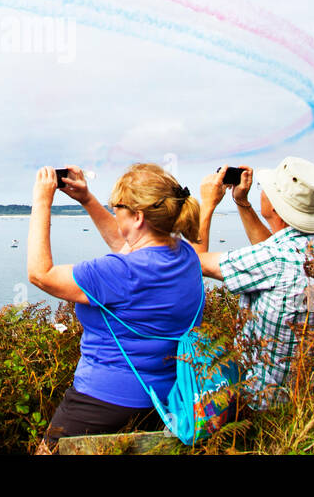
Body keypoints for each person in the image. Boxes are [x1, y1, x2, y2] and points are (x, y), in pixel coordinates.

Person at [26, 163, 204, 453]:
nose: (114, 210)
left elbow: (40, 274)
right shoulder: (184, 255)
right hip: (164, 398)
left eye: (117, 206)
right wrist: (87, 199)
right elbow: (128, 243)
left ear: (138, 216)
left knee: (47, 450)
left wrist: (42, 199)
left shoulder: (120, 272)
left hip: (98, 401)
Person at [193, 156, 314, 409]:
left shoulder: (273, 259)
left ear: (274, 207)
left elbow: (195, 262)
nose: (261, 191)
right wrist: (242, 203)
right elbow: (274, 251)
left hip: (265, 398)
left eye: (265, 189)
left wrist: (207, 205)